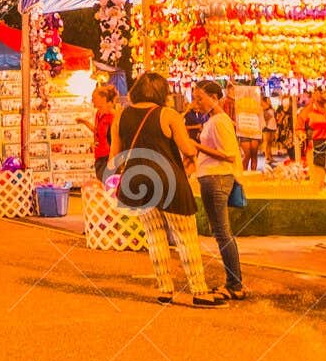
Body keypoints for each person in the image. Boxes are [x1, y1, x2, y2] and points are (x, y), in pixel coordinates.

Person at [109, 73, 221, 307]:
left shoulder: (120, 116)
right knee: (185, 237)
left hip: (138, 180)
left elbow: (115, 158)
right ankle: (199, 291)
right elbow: (187, 149)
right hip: (169, 179)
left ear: (136, 91)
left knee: (154, 236)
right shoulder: (168, 114)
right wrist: (192, 154)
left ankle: (165, 289)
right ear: (162, 92)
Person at [193, 80, 248, 300]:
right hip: (211, 177)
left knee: (222, 233)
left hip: (217, 178)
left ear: (214, 98)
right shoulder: (214, 121)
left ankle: (235, 284)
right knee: (221, 232)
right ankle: (234, 283)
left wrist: (195, 145)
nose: (196, 103)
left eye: (200, 98)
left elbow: (229, 154)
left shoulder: (219, 122)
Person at [79, 85, 117, 182]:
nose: (92, 100)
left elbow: (116, 138)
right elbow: (97, 132)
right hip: (99, 154)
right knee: (102, 181)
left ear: (103, 98)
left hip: (108, 156)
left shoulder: (112, 115)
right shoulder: (98, 114)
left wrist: (112, 157)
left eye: (94, 98)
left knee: (107, 183)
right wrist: (85, 122)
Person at [231, 86, 263, 172]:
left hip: (254, 130)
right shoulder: (239, 104)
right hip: (244, 131)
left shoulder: (257, 104)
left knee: (254, 154)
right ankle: (244, 173)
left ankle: (253, 173)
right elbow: (235, 118)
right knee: (247, 154)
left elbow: (261, 117)